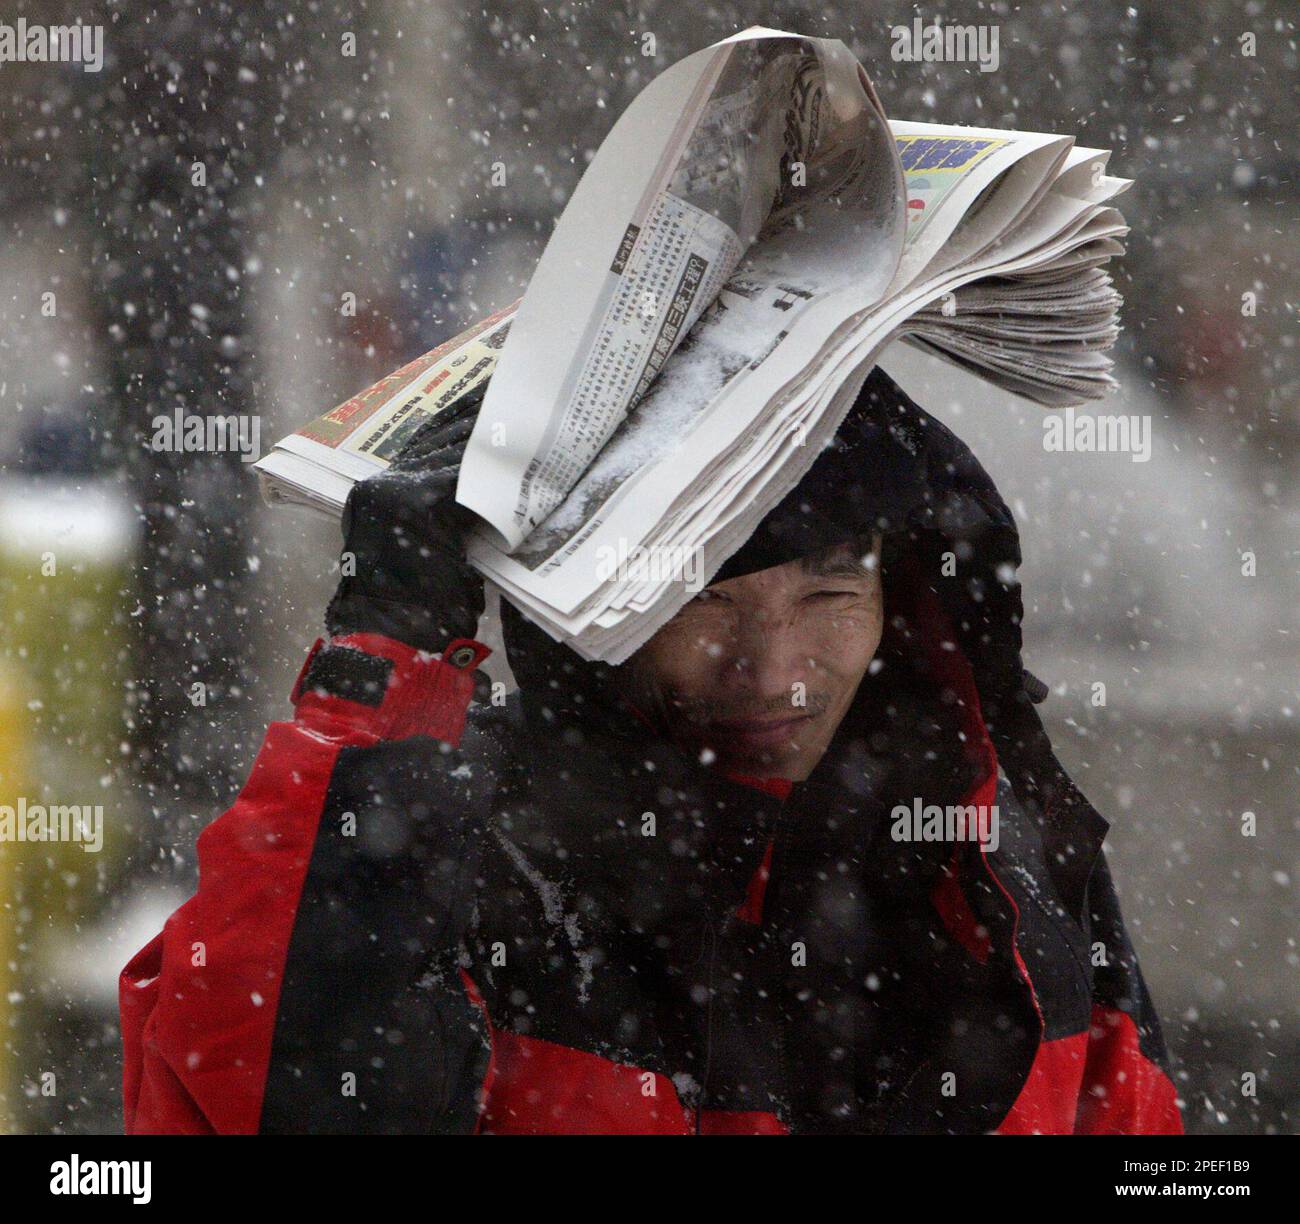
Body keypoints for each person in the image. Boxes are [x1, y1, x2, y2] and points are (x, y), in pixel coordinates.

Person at [119, 367, 1182, 1134]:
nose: (773, 674)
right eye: (701, 601)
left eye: (827, 591)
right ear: (591, 610)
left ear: (901, 604)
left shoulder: (997, 862)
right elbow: (241, 1093)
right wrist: (379, 678)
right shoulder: (452, 840)